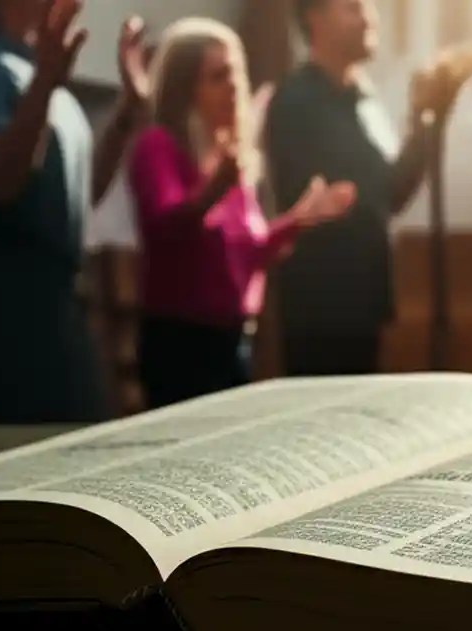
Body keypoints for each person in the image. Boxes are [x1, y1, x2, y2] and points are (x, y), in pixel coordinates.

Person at [0, 0, 149, 422]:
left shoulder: (36, 68)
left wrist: (127, 113)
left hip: (60, 314)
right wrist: (45, 85)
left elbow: (77, 194)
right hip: (6, 320)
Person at [129, 18, 356, 410]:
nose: (233, 86)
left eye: (236, 73)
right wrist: (214, 189)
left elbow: (248, 254)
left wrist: (300, 218)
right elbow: (165, 226)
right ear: (185, 89)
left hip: (234, 342)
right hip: (182, 346)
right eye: (218, 76)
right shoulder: (159, 146)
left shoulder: (229, 159)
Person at [268, 0, 472, 377]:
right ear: (316, 19)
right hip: (322, 305)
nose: (369, 19)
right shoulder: (297, 101)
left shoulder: (365, 100)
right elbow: (330, 199)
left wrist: (427, 121)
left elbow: (390, 195)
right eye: (353, 8)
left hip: (364, 300)